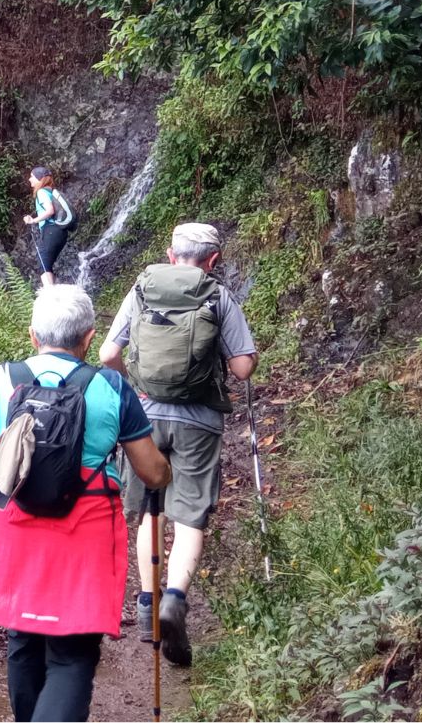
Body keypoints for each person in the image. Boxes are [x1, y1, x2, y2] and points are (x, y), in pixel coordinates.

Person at [0, 284, 171, 723]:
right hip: (84, 529)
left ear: (32, 336)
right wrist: (166, 473)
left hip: (15, 522)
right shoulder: (111, 388)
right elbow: (151, 472)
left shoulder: (0, 380)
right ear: (88, 337)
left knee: (24, 637)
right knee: (71, 652)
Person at [98, 222, 259, 667]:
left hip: (144, 418)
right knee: (189, 514)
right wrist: (248, 355)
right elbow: (243, 369)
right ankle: (174, 598)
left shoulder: (142, 290)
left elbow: (108, 355)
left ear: (171, 255)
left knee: (152, 508)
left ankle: (147, 602)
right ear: (213, 260)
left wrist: (139, 387)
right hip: (199, 421)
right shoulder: (218, 296)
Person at [22, 167, 73, 286]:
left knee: (44, 264)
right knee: (46, 264)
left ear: (39, 178)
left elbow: (49, 211)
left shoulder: (41, 192)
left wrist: (33, 220)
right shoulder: (50, 191)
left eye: (32, 176)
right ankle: (53, 292)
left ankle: (51, 295)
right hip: (60, 232)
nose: (29, 179)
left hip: (51, 230)